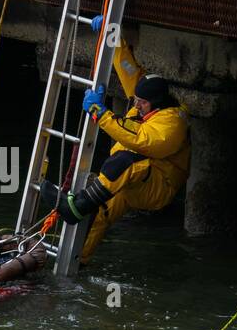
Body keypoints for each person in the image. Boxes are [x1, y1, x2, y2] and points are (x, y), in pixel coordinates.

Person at [40, 43, 190, 263]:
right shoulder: (148, 102)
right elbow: (127, 69)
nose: (136, 105)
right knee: (98, 211)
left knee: (125, 161)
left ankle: (77, 206)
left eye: (141, 102)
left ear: (155, 104)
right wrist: (111, 34)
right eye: (136, 100)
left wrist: (101, 114)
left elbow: (142, 140)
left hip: (157, 186)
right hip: (132, 180)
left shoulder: (172, 123)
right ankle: (76, 263)